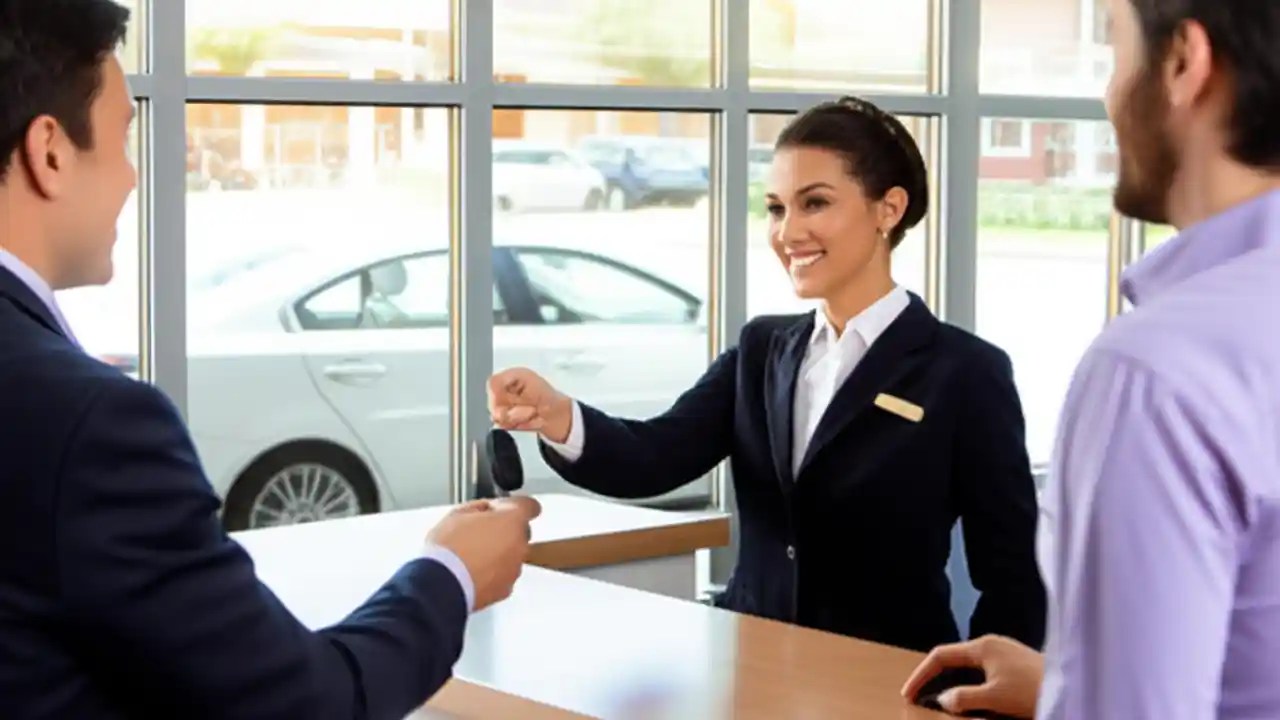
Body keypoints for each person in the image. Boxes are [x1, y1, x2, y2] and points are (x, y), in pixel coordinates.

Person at [0, 2, 540, 717]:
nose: (133, 177)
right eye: (125, 136)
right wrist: (452, 572)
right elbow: (303, 704)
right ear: (50, 152)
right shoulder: (91, 421)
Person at [489, 96, 1046, 653]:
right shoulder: (762, 348)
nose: (788, 232)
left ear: (888, 209)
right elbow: (653, 457)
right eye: (777, 208)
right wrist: (559, 416)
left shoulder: (965, 371)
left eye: (816, 203)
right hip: (750, 667)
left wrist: (982, 692)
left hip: (886, 680)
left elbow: (1012, 572)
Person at [902, 0, 1280, 717]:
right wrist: (1062, 683)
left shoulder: (1159, 373)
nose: (1109, 95)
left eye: (1116, 52)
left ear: (1181, 62)